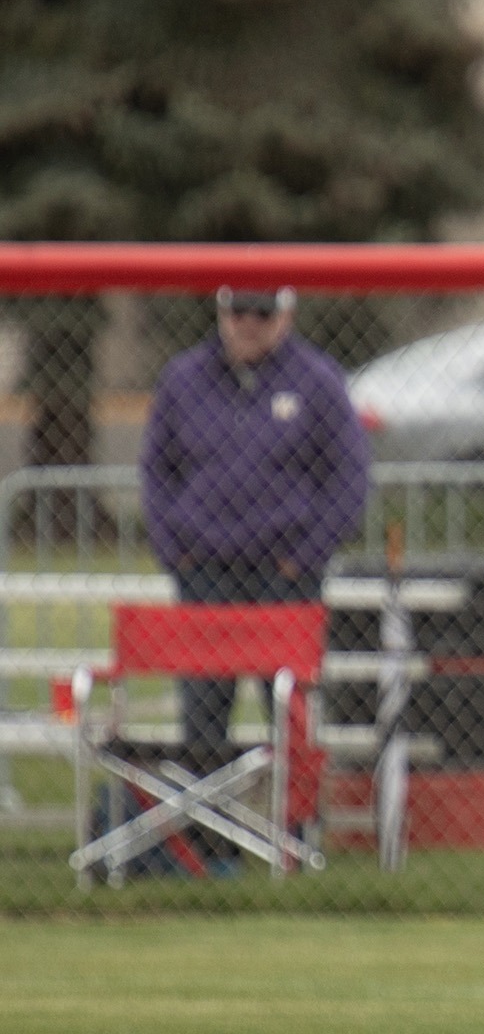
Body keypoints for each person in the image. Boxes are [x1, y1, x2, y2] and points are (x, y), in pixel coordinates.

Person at [140, 285, 370, 774]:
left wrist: (305, 558)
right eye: (237, 310)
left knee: (292, 708)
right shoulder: (183, 379)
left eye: (262, 312)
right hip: (204, 573)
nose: (248, 323)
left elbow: (348, 476)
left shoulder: (317, 380)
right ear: (220, 311)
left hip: (284, 577)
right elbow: (156, 471)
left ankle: (296, 815)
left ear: (286, 314)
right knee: (202, 711)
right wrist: (174, 551)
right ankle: (206, 815)